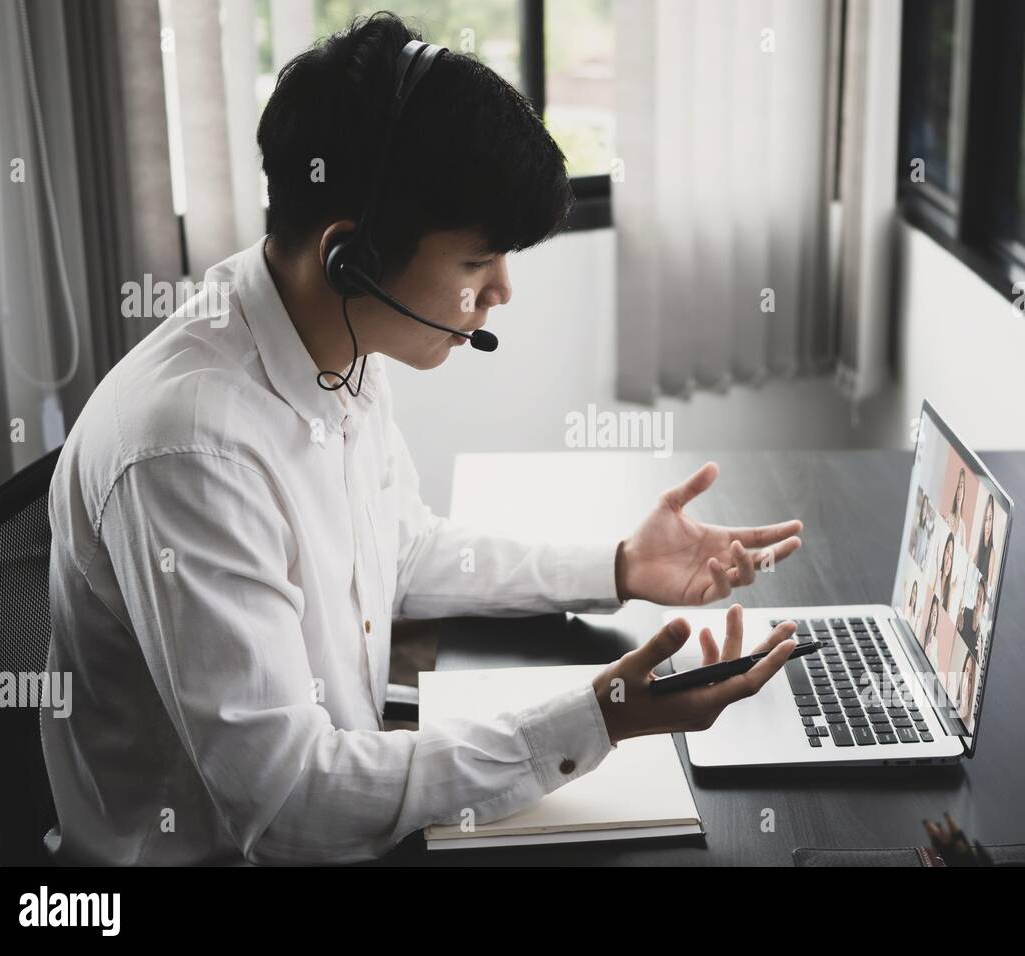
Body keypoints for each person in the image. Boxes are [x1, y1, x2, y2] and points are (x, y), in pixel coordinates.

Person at [42, 13, 803, 865]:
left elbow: (402, 551)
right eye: (478, 263)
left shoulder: (337, 342)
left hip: (342, 795)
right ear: (350, 257)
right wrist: (599, 718)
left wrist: (619, 566)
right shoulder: (190, 450)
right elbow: (290, 802)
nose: (503, 291)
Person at [973, 493, 997, 585]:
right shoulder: (978, 544)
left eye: (990, 519)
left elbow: (988, 587)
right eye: (986, 519)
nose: (987, 526)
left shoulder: (992, 553)